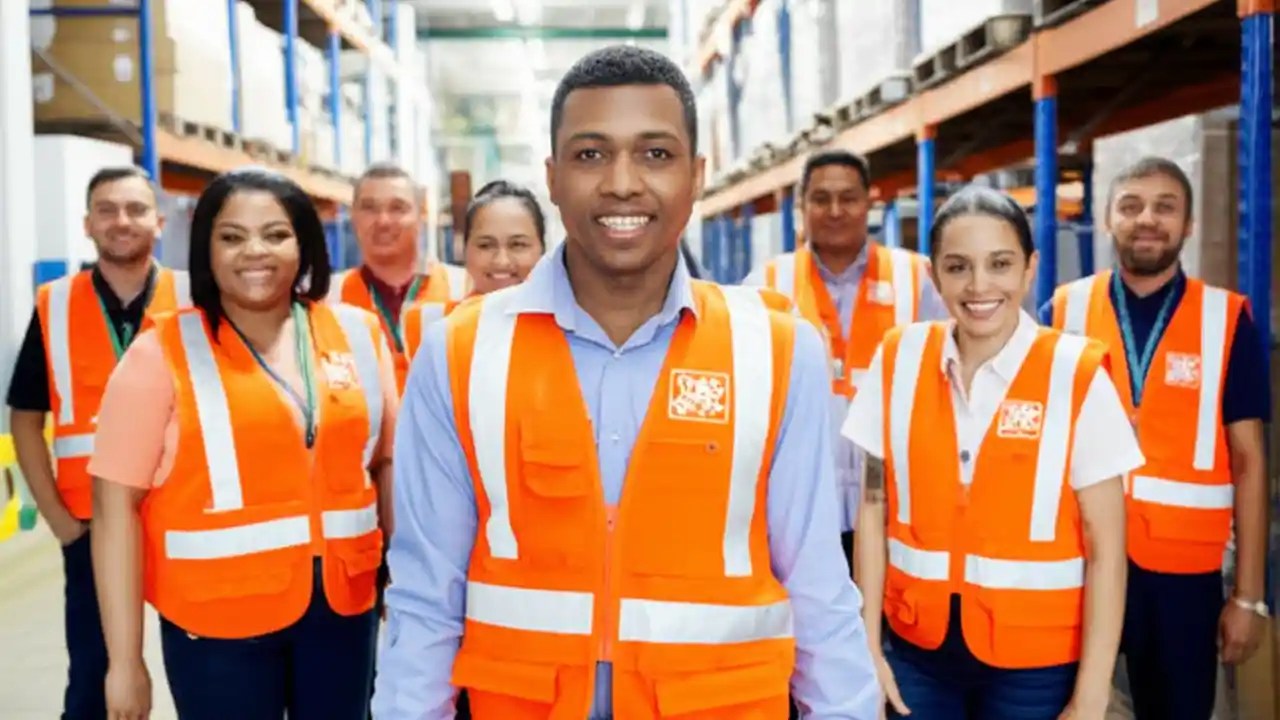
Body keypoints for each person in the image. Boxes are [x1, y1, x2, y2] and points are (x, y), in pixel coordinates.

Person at [373, 44, 880, 719]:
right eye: (590, 155)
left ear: (697, 175)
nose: (621, 183)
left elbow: (819, 582)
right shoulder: (461, 353)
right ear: (551, 177)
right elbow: (424, 595)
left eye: (655, 154)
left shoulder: (778, 351)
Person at [87, 168, 398, 720]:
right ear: (205, 248)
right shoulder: (160, 353)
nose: (255, 251)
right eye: (231, 237)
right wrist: (124, 661)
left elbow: (385, 466)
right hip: (216, 626)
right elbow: (114, 509)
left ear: (303, 243)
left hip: (343, 614)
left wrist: (406, 596)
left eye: (275, 234)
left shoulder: (357, 335)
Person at [843, 186, 1138, 718]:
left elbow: (1107, 549)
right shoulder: (898, 359)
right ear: (934, 275)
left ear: (1030, 268)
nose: (979, 286)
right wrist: (867, 644)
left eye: (999, 264)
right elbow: (872, 504)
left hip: (1037, 664)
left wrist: (1092, 692)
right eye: (958, 267)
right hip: (918, 652)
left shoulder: (1075, 374)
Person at [1041, 157, 1271, 719]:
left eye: (1166, 207)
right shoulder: (1063, 311)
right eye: (1132, 206)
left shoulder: (1227, 320)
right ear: (1106, 220)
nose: (1148, 219)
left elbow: (1250, 462)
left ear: (1188, 224)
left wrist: (1248, 596)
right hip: (1078, 563)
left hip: (1182, 582)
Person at [4, 165, 189, 720]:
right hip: (91, 524)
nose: (121, 220)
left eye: (135, 209)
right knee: (94, 676)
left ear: (158, 221)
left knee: (202, 671)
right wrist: (58, 520)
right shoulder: (54, 305)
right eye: (107, 209)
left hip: (184, 520)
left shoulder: (193, 297)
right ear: (87, 224)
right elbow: (25, 419)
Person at [742, 150, 949, 568]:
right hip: (800, 503)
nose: (835, 211)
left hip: (896, 500)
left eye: (848, 198)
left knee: (889, 620)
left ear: (869, 203)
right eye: (820, 199)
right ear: (802, 207)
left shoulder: (917, 278)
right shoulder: (766, 284)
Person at [329, 162, 471, 390]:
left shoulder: (463, 289)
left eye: (397, 208)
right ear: (353, 215)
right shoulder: (328, 298)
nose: (383, 221)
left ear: (421, 213)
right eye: (369, 208)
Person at [402, 179, 547, 363]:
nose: (501, 261)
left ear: (542, 252)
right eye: (486, 245)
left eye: (517, 245)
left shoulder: (567, 326)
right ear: (465, 251)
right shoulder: (427, 324)